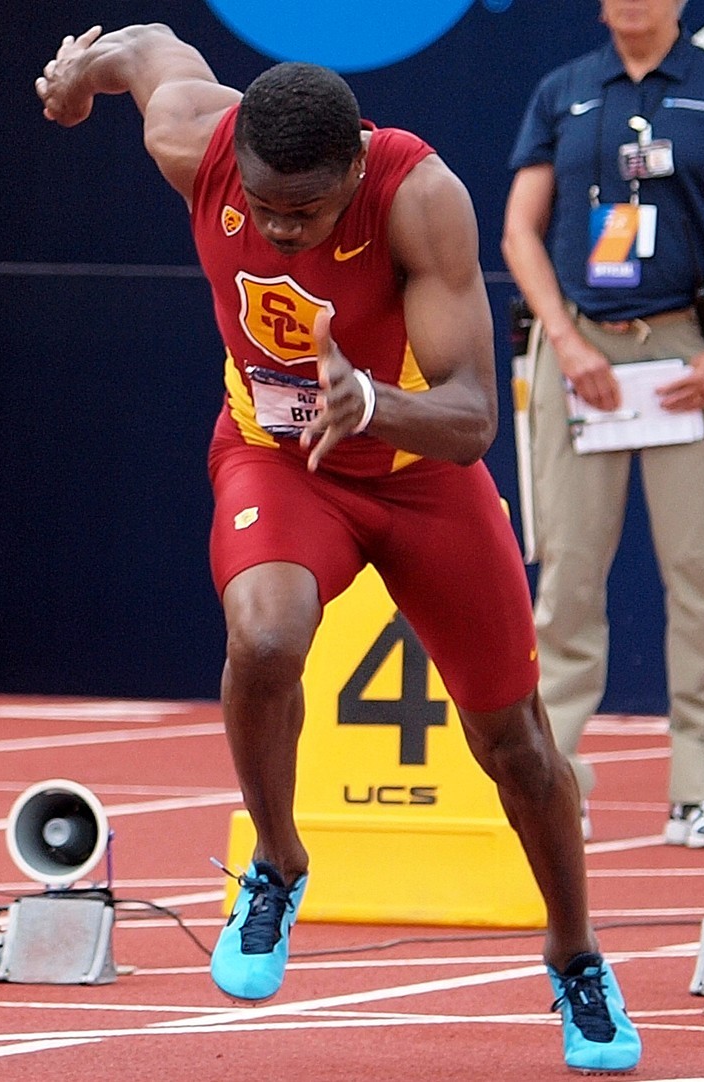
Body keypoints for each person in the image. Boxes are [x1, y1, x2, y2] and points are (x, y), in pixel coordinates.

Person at [36, 24, 640, 1072]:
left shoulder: (418, 196)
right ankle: (275, 860)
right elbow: (147, 49)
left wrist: (372, 402)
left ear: (353, 168)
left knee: (515, 743)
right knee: (264, 638)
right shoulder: (192, 138)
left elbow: (471, 418)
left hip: (417, 473)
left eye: (304, 212)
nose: (278, 228)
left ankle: (575, 952)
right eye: (264, 205)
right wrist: (76, 80)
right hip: (278, 460)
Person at [502, 0, 704, 850]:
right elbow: (520, 230)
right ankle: (551, 776)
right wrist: (564, 342)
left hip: (693, 352)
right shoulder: (564, 90)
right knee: (567, 573)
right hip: (580, 350)